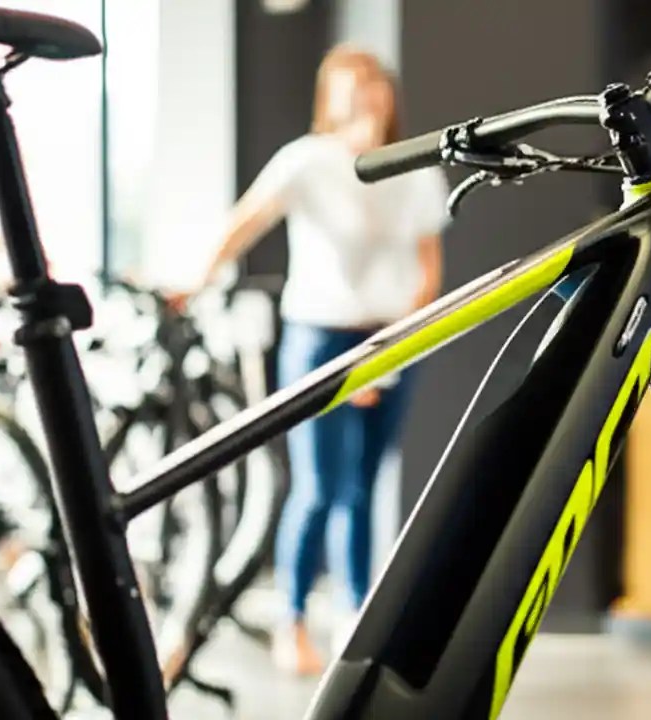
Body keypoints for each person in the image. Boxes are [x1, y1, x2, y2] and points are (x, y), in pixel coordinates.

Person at [184, 45, 448, 675]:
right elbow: (244, 223)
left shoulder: (416, 168)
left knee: (363, 487)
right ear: (328, 97)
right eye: (349, 86)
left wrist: (393, 346)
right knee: (323, 485)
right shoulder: (306, 161)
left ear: (389, 94)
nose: (364, 96)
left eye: (373, 84)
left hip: (394, 339)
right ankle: (294, 618)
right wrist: (193, 282)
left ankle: (355, 619)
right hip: (319, 340)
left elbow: (428, 264)